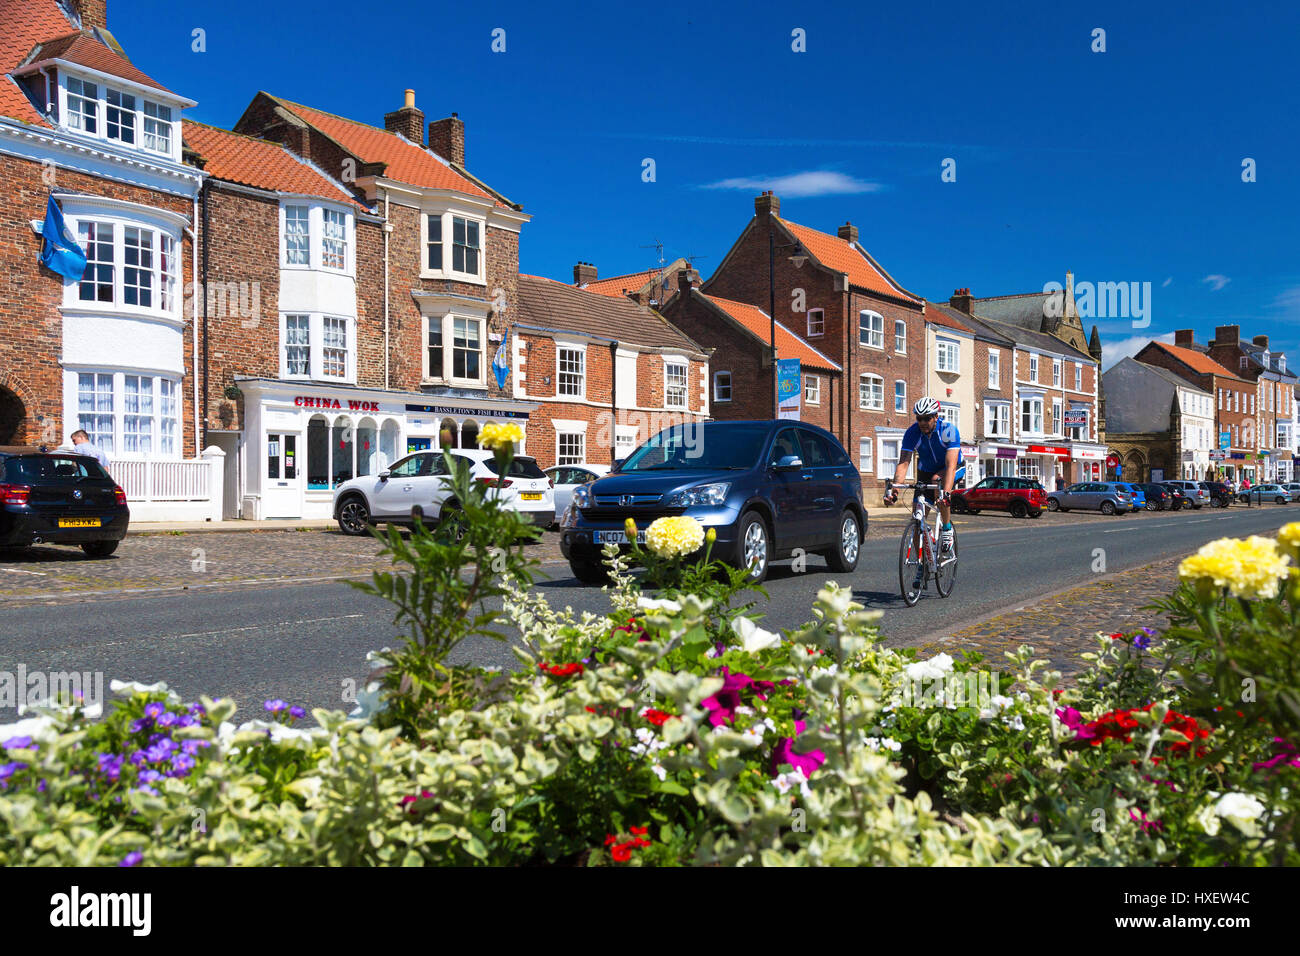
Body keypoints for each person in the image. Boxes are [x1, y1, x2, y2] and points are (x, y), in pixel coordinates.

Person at [884, 397, 965, 591]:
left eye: (926, 418)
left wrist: (945, 493)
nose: (922, 422)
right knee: (917, 514)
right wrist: (895, 489)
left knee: (938, 484)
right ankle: (921, 561)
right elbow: (904, 463)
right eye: (919, 418)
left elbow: (951, 465)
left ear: (936, 417)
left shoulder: (948, 431)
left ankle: (946, 529)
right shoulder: (913, 432)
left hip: (951, 468)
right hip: (926, 471)